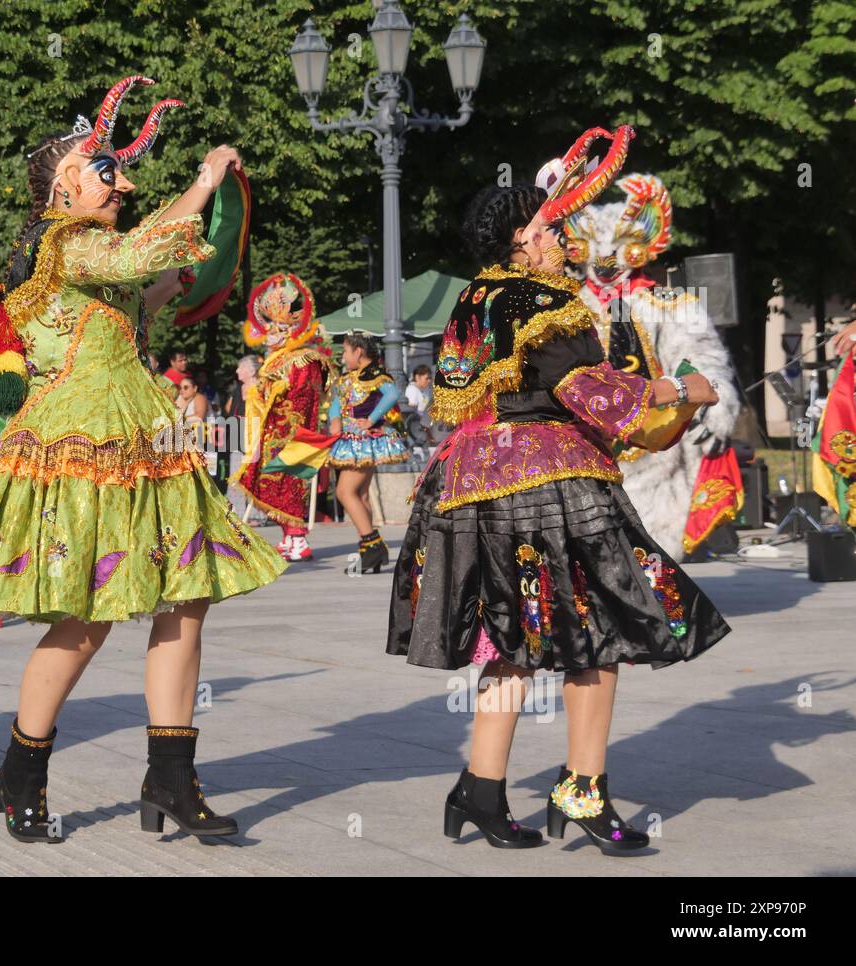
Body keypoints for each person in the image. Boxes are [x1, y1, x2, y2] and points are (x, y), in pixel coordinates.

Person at [0, 74, 285, 843]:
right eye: (107, 169)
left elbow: (135, 298)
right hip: (77, 445)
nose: (123, 179)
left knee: (186, 597)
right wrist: (204, 179)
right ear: (64, 185)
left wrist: (177, 280)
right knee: (86, 617)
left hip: (146, 435)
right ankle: (24, 767)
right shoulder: (65, 242)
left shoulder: (95, 258)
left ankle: (172, 779)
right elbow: (133, 257)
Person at [387, 127, 730, 854]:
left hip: (469, 486)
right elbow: (597, 396)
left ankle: (481, 787)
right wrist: (682, 388)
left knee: (507, 639)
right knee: (595, 636)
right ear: (520, 241)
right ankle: (582, 786)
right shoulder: (548, 303)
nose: (563, 235)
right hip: (549, 484)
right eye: (548, 226)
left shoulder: (473, 303)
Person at [564, 173, 742, 558]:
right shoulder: (562, 308)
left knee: (650, 554)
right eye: (598, 248)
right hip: (581, 450)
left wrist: (718, 404)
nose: (608, 260)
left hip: (653, 451)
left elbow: (702, 357)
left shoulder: (673, 303)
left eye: (619, 248)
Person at [231, 273, 331, 561]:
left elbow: (298, 397)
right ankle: (289, 536)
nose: (269, 334)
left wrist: (266, 391)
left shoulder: (303, 359)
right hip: (275, 435)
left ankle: (298, 538)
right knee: (271, 483)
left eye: (276, 328)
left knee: (288, 484)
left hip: (291, 437)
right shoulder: (282, 359)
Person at [327, 332, 408, 573]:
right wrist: (334, 420)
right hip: (351, 439)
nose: (344, 357)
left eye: (346, 351)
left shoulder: (375, 375)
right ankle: (370, 550)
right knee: (360, 495)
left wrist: (370, 419)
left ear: (359, 352)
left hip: (363, 440)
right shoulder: (345, 379)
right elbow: (335, 403)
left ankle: (372, 545)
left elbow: (393, 394)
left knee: (344, 491)